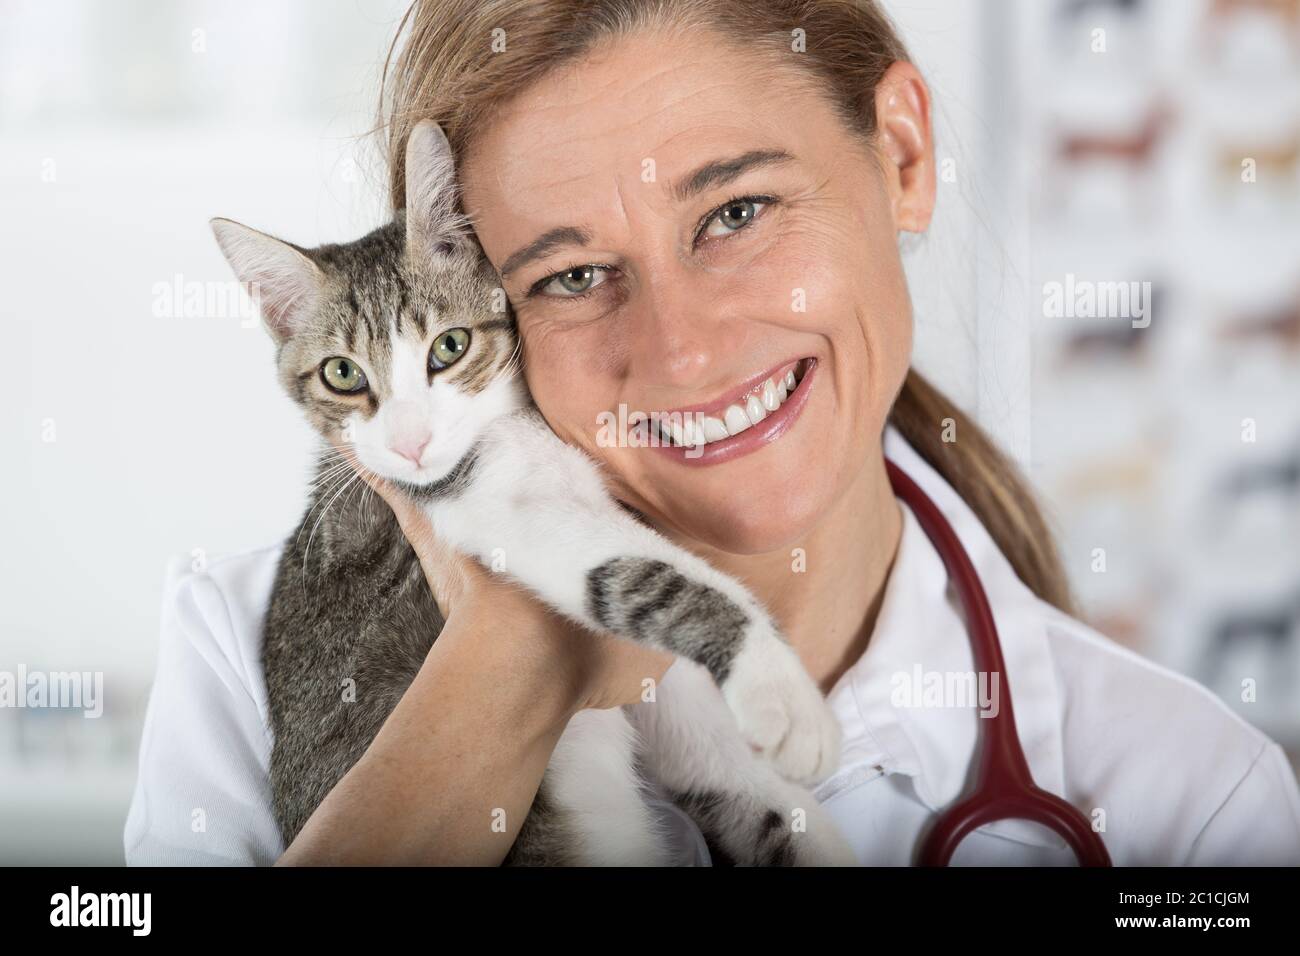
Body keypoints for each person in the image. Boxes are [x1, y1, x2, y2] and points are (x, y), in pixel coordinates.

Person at [125, 0, 1300, 866]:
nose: (683, 352)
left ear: (900, 155)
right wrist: (504, 666)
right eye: (573, 272)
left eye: (736, 211)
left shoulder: (1193, 798)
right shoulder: (240, 652)